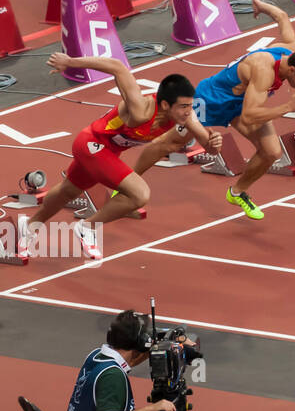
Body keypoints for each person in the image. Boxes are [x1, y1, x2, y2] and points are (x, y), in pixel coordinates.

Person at [16, 57, 217, 263]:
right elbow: (117, 67)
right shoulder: (141, 110)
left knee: (69, 191)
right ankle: (87, 227)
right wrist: (70, 62)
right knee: (139, 195)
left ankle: (30, 225)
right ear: (165, 104)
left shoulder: (186, 116)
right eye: (183, 106)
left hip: (107, 153)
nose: (188, 111)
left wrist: (213, 142)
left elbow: (208, 144)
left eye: (190, 106)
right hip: (90, 144)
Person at [193, 0, 295, 219]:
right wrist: (288, 107)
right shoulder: (264, 71)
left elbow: (282, 17)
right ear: (292, 70)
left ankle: (237, 191)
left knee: (271, 151)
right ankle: (124, 181)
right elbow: (249, 116)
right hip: (210, 100)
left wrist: (260, 5)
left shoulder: (293, 50)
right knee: (167, 142)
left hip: (239, 103)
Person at [67, 311, 176, 411]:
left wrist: (155, 347)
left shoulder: (97, 355)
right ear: (141, 343)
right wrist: (151, 409)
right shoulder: (113, 375)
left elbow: (129, 362)